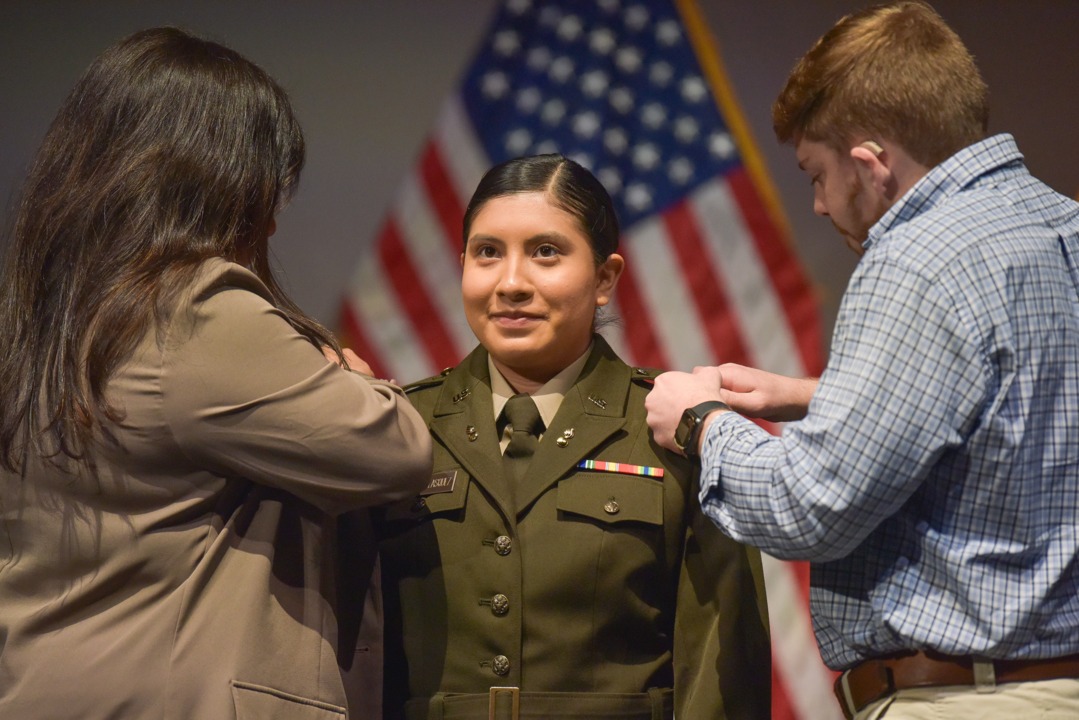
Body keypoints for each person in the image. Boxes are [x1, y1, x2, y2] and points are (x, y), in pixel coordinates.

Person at [644, 2, 1079, 719]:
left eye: (815, 174)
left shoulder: (916, 259)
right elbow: (1020, 410)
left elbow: (810, 507)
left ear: (869, 165)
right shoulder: (1061, 225)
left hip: (966, 701)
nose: (818, 205)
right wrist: (818, 396)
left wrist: (700, 423)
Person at [0, 28, 432, 720]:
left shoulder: (37, 320)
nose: (271, 222)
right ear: (215, 179)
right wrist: (351, 377)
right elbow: (394, 451)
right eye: (265, 188)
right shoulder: (194, 309)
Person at [376, 154, 770, 720]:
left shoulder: (675, 428)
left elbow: (722, 659)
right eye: (488, 253)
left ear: (605, 278)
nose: (511, 283)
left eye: (545, 252)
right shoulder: (398, 425)